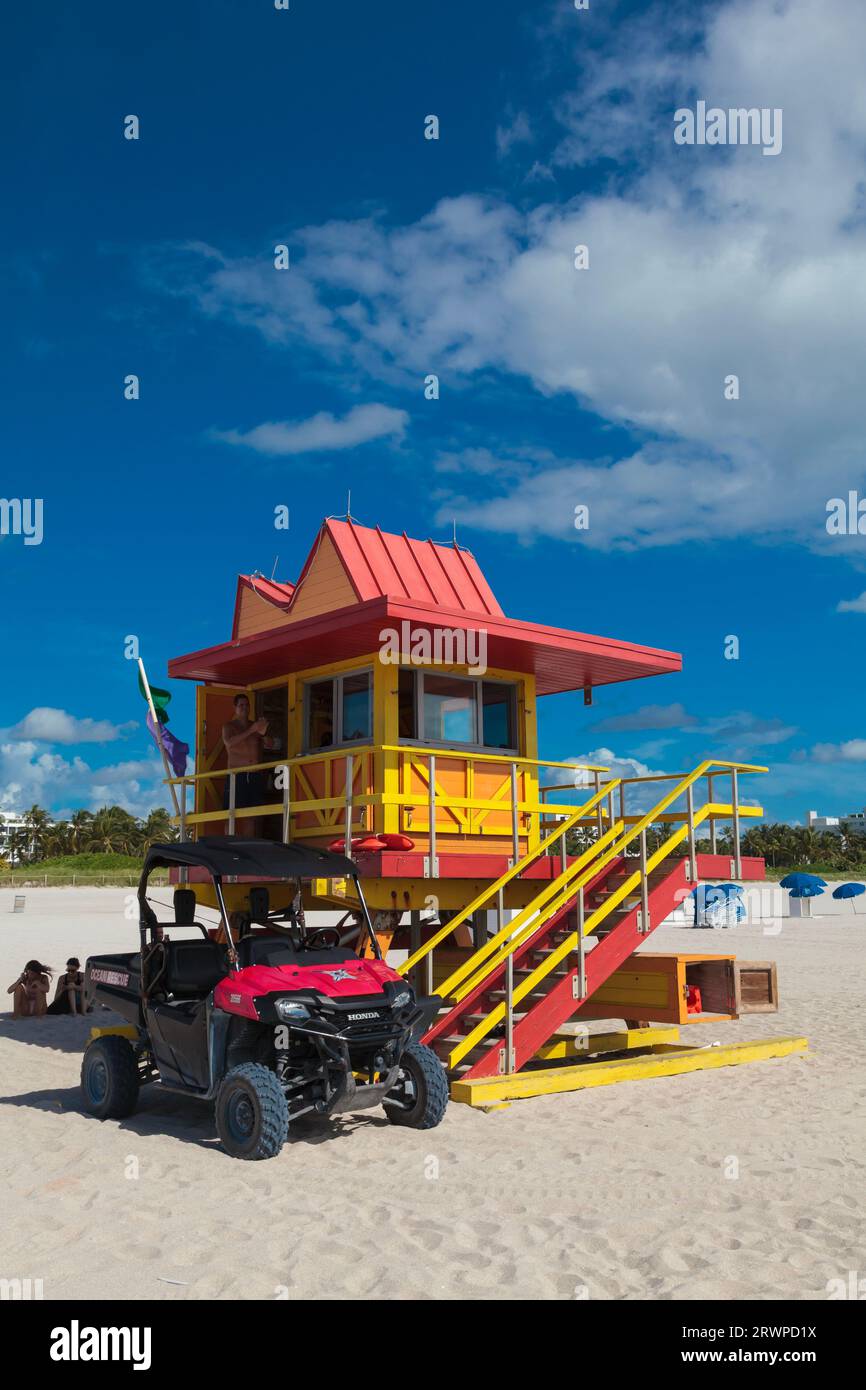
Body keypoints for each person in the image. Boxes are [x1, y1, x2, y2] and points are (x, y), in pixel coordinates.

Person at [221, 694, 269, 835]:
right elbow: (229, 743)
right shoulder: (229, 726)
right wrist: (252, 730)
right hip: (237, 775)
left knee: (252, 816)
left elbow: (270, 743)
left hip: (254, 774)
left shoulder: (255, 726)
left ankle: (249, 846)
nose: (244, 708)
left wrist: (265, 735)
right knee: (230, 814)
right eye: (241, 705)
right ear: (235, 708)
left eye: (247, 705)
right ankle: (228, 845)